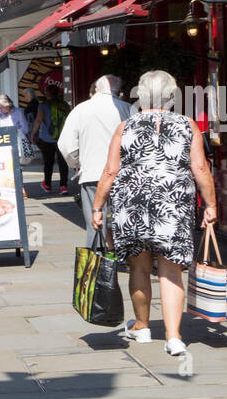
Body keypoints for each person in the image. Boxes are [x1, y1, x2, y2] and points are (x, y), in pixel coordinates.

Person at [91, 70, 217, 357]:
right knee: (172, 271)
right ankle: (174, 337)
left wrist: (98, 207)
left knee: (139, 267)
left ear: (141, 96)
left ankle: (143, 326)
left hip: (131, 205)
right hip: (172, 206)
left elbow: (110, 171)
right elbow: (199, 169)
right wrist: (210, 205)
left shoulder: (125, 126)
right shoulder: (187, 125)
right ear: (172, 97)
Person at [57, 76, 133, 230]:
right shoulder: (128, 109)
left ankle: (99, 252)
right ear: (118, 91)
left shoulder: (80, 109)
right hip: (123, 175)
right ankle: (121, 253)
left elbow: (65, 144)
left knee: (96, 227)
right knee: (124, 225)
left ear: (96, 89)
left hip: (92, 174)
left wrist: (77, 163)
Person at [31, 82, 72, 194]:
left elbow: (38, 120)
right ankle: (63, 186)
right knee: (62, 162)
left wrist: (33, 134)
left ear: (46, 93)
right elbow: (69, 121)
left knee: (48, 162)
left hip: (47, 138)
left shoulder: (43, 105)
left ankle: (47, 185)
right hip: (62, 138)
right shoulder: (64, 104)